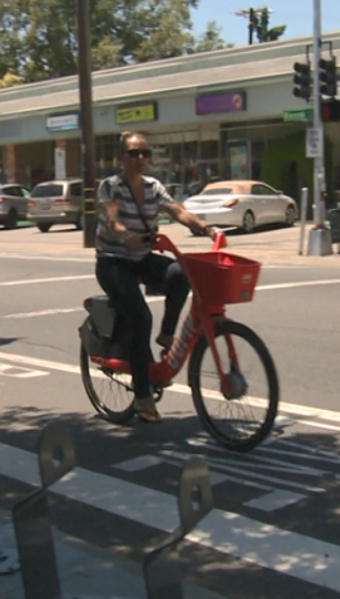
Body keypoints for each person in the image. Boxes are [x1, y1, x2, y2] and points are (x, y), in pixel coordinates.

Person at [96, 131, 216, 423]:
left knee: (182, 272)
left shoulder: (153, 187)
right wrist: (126, 237)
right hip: (113, 261)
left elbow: (176, 210)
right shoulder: (111, 186)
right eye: (134, 153)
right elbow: (110, 219)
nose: (140, 159)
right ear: (121, 158)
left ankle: (166, 334)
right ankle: (142, 396)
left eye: (145, 153)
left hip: (141, 258)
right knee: (140, 317)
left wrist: (206, 228)